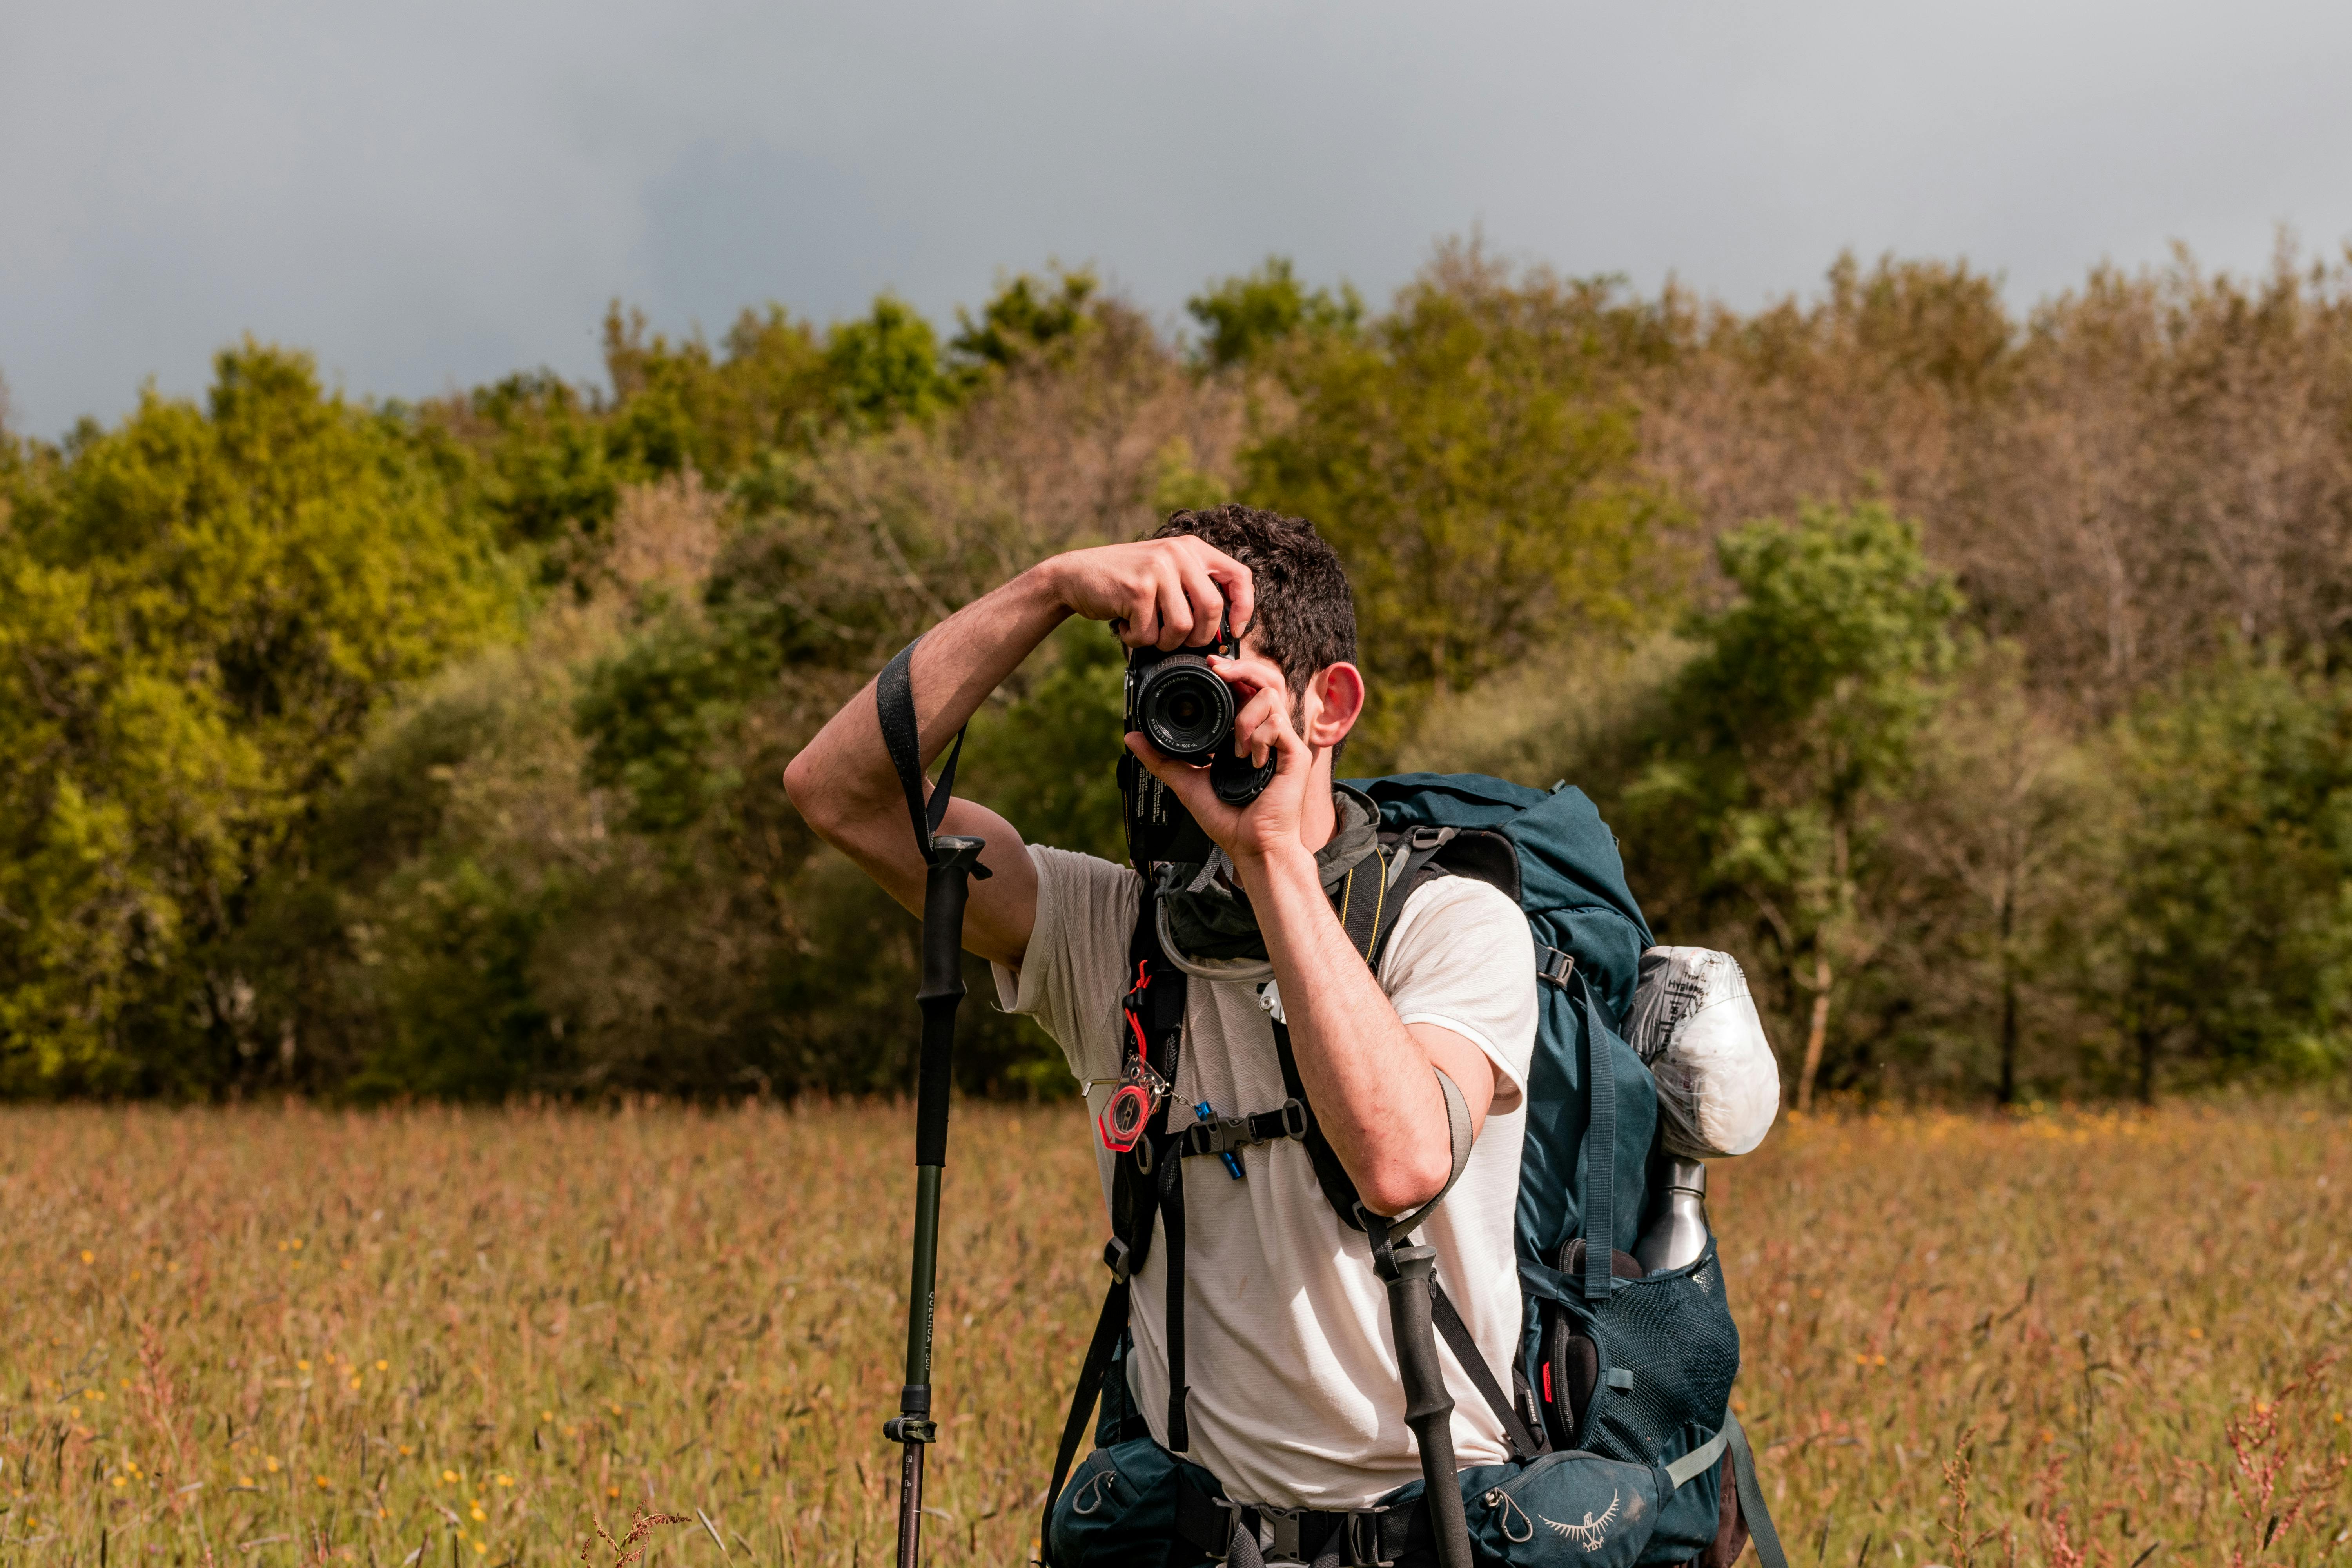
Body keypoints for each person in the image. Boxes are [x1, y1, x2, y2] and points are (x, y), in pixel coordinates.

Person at [783, 505, 1539, 1557]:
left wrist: (1267, 851)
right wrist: (1047, 589)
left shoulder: (1453, 920)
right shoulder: (1112, 931)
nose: (1197, 720)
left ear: (1330, 704)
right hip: (1198, 1534)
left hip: (1434, 1525)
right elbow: (838, 794)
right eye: (1165, 686)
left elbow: (1399, 1163)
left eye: (1227, 685)